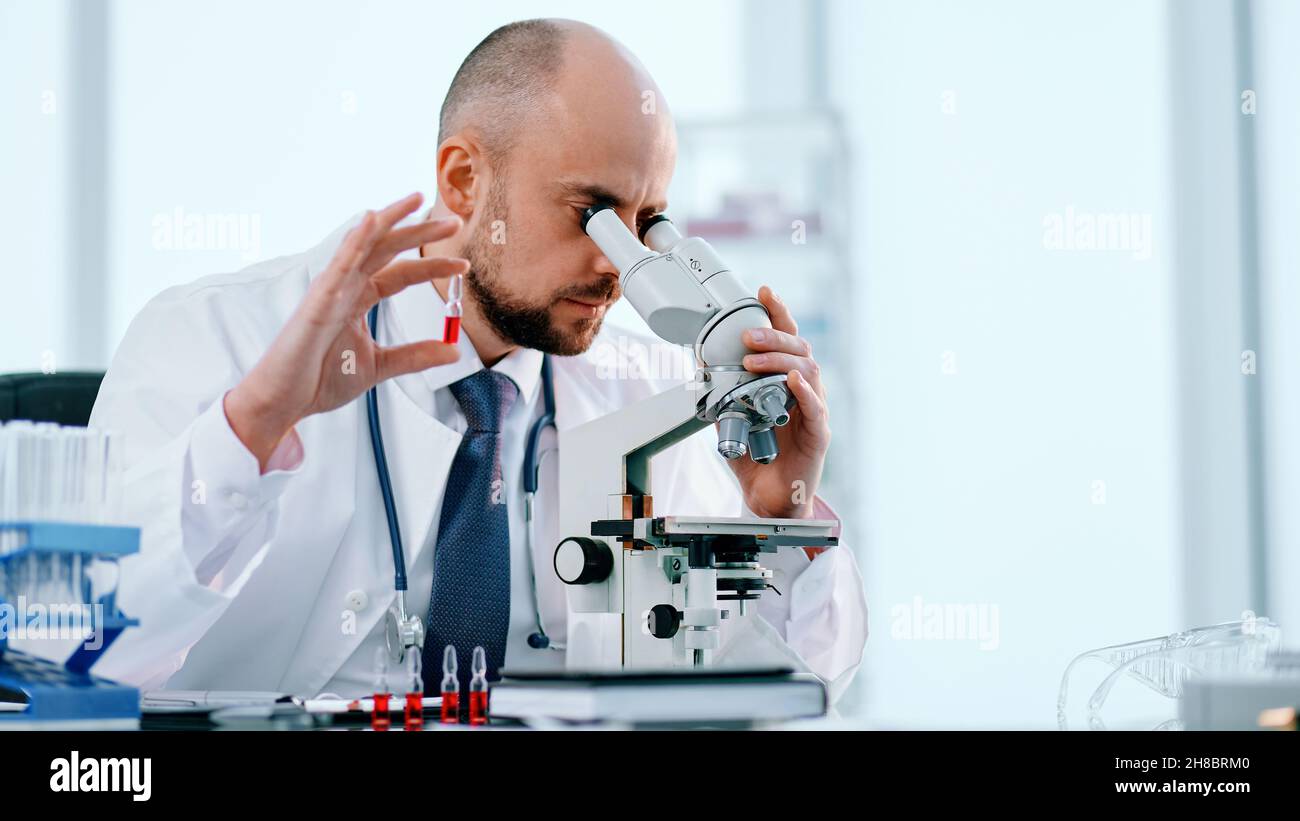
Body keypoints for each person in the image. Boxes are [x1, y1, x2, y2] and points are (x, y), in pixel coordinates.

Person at [87, 19, 868, 705]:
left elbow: (783, 687)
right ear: (464, 180)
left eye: (649, 224)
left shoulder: (647, 400)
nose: (619, 269)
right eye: (592, 215)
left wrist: (780, 516)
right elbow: (82, 647)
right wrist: (253, 426)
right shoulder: (216, 334)